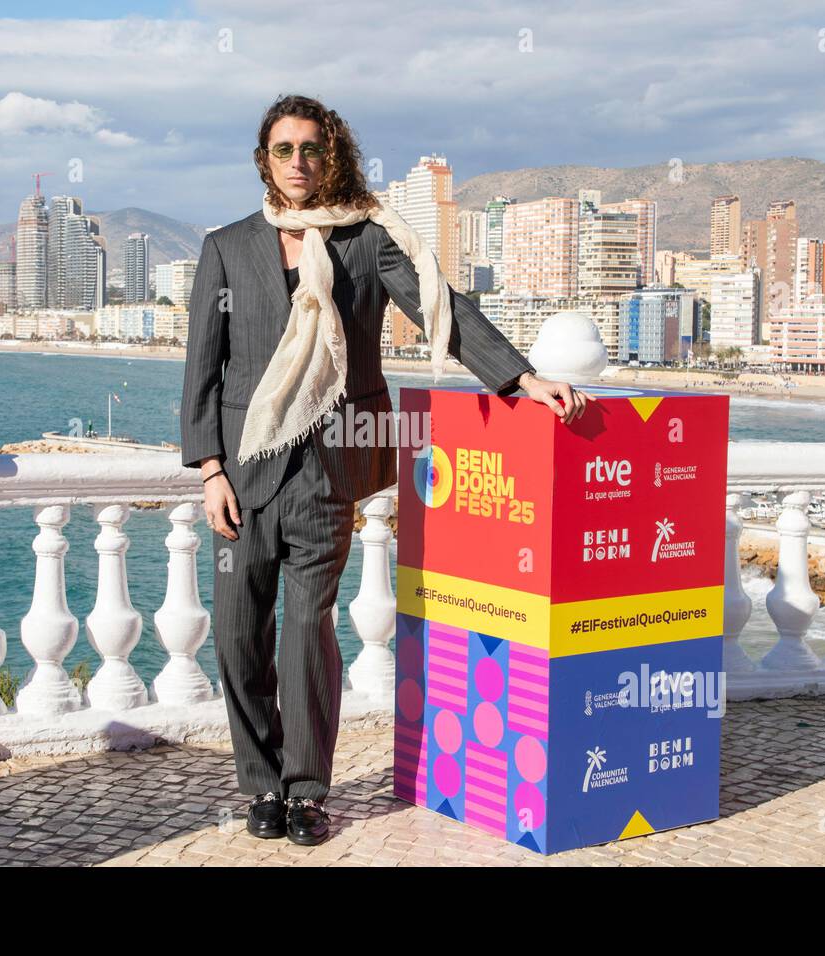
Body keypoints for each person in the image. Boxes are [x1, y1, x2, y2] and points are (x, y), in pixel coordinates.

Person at [180, 93, 586, 846]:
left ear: (329, 155)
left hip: (330, 469)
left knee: (307, 634)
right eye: (282, 149)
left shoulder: (366, 239)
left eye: (311, 148)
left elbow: (444, 309)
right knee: (238, 636)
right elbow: (203, 369)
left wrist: (522, 380)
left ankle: (305, 792)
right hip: (243, 474)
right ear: (263, 161)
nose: (297, 162)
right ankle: (258, 783)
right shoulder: (228, 248)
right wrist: (210, 469)